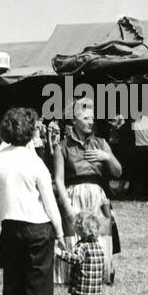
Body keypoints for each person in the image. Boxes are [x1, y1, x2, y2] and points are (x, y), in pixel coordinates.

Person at [0, 107, 66, 295]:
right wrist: (60, 232)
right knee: (38, 284)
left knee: (13, 282)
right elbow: (49, 201)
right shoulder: (35, 162)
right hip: (38, 228)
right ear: (31, 132)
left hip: (10, 227)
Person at [52, 98, 120, 283]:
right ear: (74, 120)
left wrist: (106, 157)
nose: (91, 121)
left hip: (98, 195)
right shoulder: (62, 146)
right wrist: (66, 205)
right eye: (85, 118)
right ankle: (71, 276)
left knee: (102, 232)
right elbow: (58, 179)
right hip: (73, 194)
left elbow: (118, 172)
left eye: (92, 118)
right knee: (73, 232)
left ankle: (102, 274)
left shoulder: (101, 143)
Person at [58, 212, 106, 295]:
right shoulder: (98, 246)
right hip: (96, 288)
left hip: (82, 288)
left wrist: (60, 254)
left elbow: (76, 259)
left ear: (80, 230)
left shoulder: (82, 246)